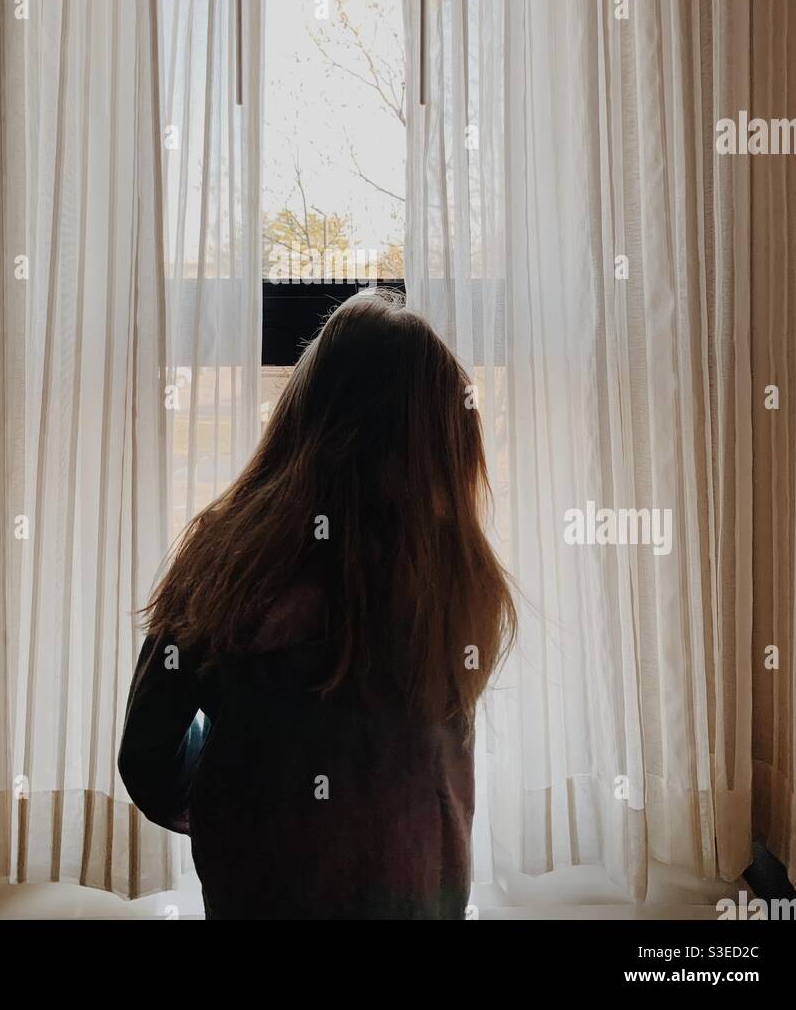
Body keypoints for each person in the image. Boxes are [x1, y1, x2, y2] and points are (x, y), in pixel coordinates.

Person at [118, 288, 515, 920]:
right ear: (448, 451)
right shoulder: (456, 577)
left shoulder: (227, 559)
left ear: (301, 418)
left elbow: (147, 753)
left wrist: (238, 786)